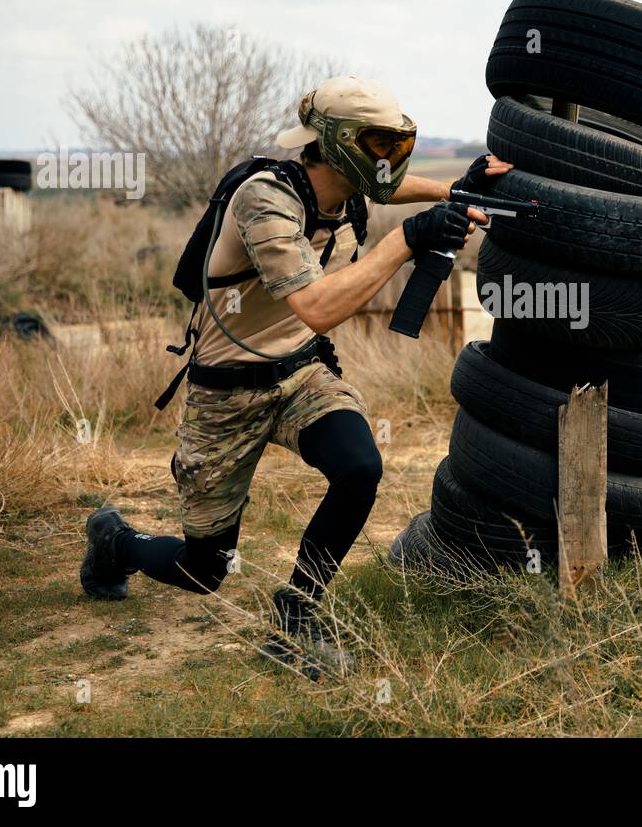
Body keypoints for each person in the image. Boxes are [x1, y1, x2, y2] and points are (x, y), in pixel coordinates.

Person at [79, 75, 512, 676]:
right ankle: (114, 542)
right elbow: (317, 307)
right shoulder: (265, 199)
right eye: (379, 144)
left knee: (360, 468)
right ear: (337, 146)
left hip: (301, 374)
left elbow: (387, 191)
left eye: (398, 143)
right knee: (205, 571)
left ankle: (295, 619)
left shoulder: (350, 190)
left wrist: (453, 188)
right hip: (225, 387)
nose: (390, 159)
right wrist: (410, 241)